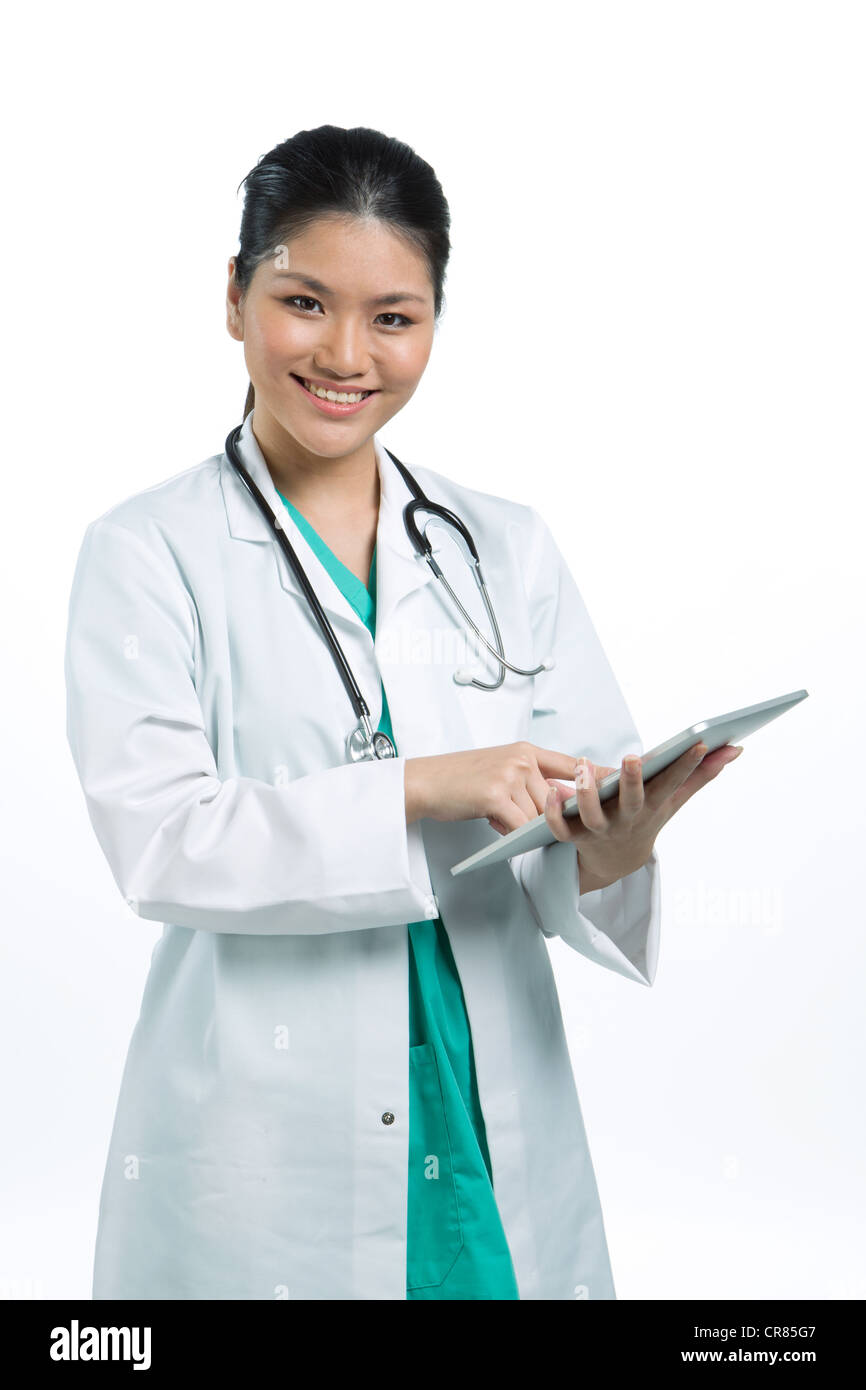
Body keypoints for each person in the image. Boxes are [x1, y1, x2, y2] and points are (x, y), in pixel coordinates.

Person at [64, 124, 742, 1301]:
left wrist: (614, 845)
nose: (344, 352)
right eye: (302, 301)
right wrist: (426, 783)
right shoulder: (146, 552)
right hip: (268, 1132)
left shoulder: (502, 548)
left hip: (480, 1090)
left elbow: (559, 828)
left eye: (392, 315)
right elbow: (161, 843)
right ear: (233, 298)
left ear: (434, 322)